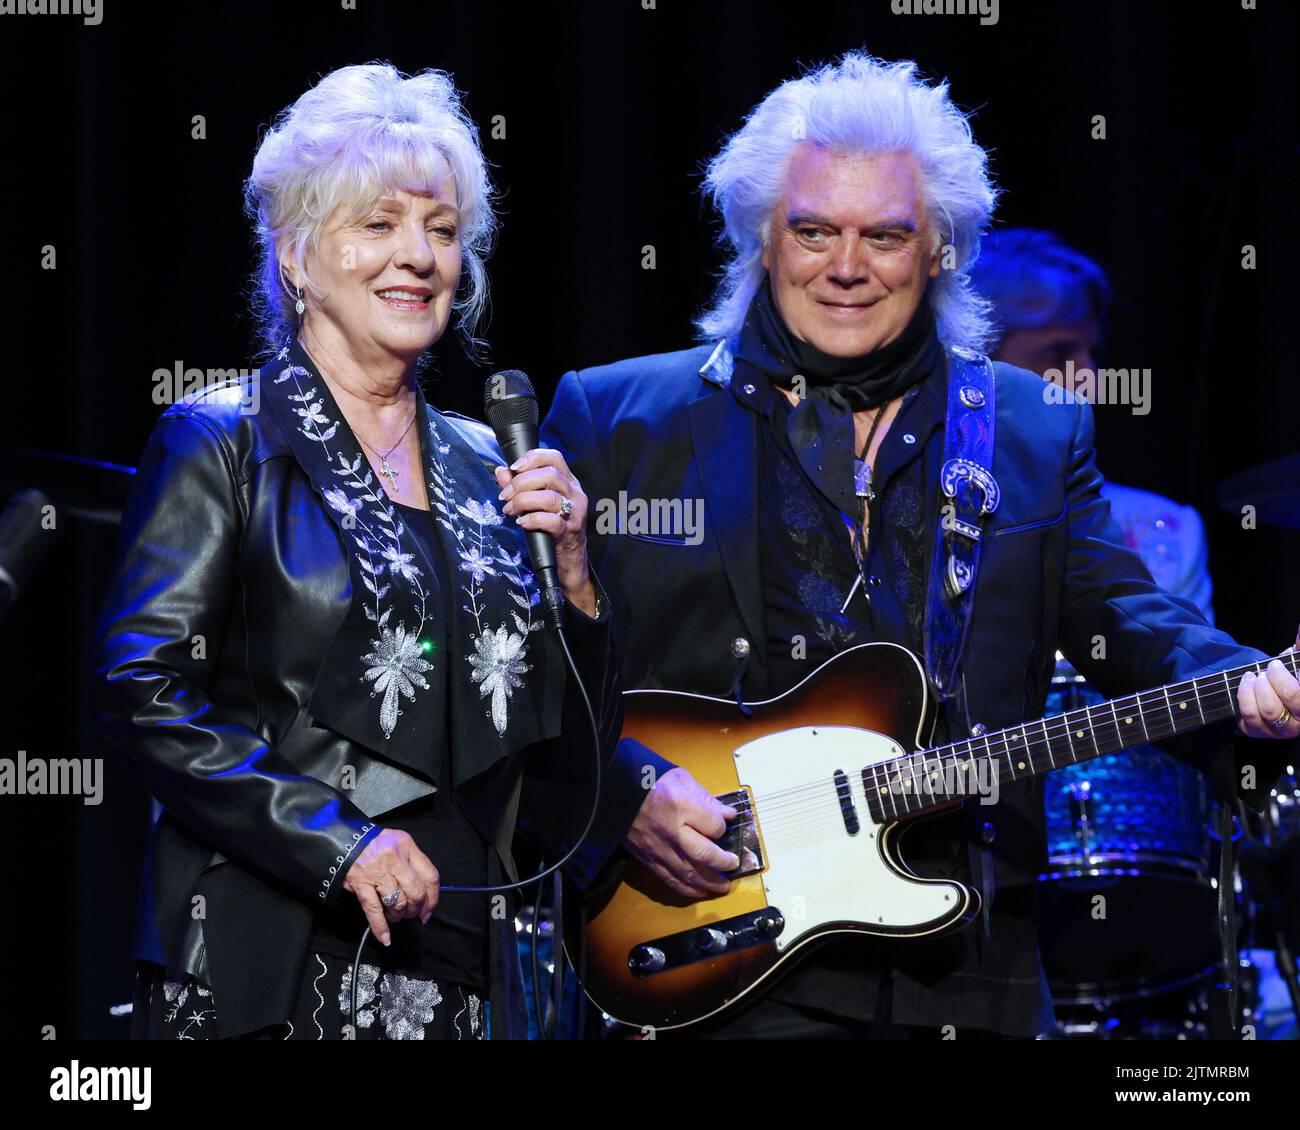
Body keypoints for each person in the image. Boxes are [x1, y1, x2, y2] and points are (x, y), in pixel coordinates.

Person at [540, 52, 1299, 1039]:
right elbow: (530, 667)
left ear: (937, 247)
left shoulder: (1028, 427)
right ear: (758, 239)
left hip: (966, 963)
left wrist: (1250, 684)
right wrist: (625, 791)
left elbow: (1126, 620)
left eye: (884, 236)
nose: (845, 266)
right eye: (812, 230)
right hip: (700, 942)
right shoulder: (617, 416)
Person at [93, 63, 625, 1041]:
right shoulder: (222, 438)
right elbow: (140, 690)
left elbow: (563, 762)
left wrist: (579, 581)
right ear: (295, 253)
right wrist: (335, 840)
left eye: (442, 228)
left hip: (468, 966)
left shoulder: (482, 459)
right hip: (276, 953)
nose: (417, 255)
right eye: (377, 225)